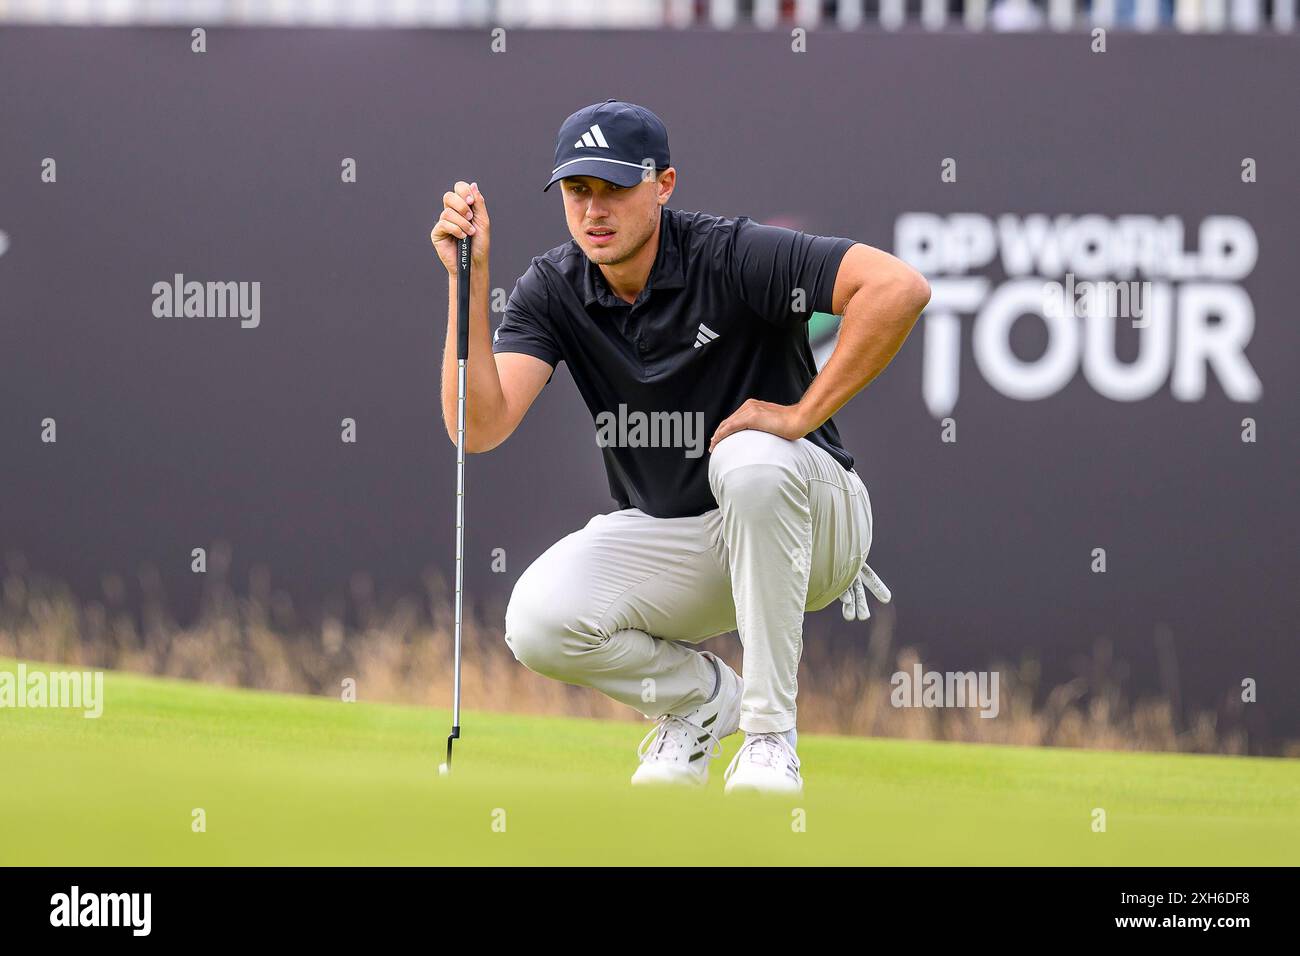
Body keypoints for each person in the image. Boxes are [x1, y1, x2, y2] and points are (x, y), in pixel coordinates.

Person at [429, 99, 928, 794]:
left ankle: (768, 736)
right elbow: (477, 427)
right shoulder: (554, 287)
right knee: (539, 619)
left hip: (817, 526)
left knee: (749, 458)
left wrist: (801, 414)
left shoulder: (732, 254)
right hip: (693, 536)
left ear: (663, 185)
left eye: (615, 188)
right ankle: (698, 703)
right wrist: (469, 279)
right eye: (578, 190)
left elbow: (898, 288)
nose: (594, 210)